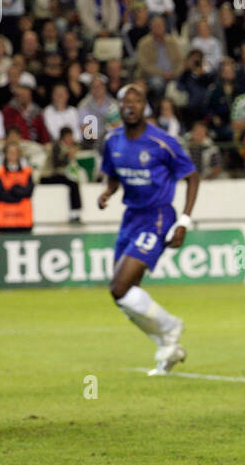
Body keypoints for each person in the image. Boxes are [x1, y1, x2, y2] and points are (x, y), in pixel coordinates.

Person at [98, 83, 200, 376]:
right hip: (131, 217)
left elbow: (192, 178)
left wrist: (183, 221)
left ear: (146, 106)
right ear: (118, 106)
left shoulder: (162, 142)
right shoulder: (112, 140)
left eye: (137, 100)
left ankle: (170, 327)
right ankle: (167, 345)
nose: (131, 106)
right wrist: (108, 192)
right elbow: (114, 176)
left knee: (119, 287)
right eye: (125, 101)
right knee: (124, 298)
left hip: (157, 216)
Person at [40, 128, 85, 223]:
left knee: (74, 181)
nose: (71, 139)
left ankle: (76, 210)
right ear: (63, 137)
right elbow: (57, 164)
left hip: (57, 174)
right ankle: (74, 212)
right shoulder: (56, 146)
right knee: (73, 184)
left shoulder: (66, 147)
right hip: (48, 176)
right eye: (69, 137)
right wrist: (68, 156)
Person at [0, 142, 34, 233]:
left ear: (19, 154)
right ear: (6, 155)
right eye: (10, 152)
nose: (13, 155)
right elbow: (1, 194)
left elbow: (29, 191)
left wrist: (13, 190)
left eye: (15, 152)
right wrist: (18, 194)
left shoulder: (27, 171)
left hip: (24, 220)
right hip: (4, 220)